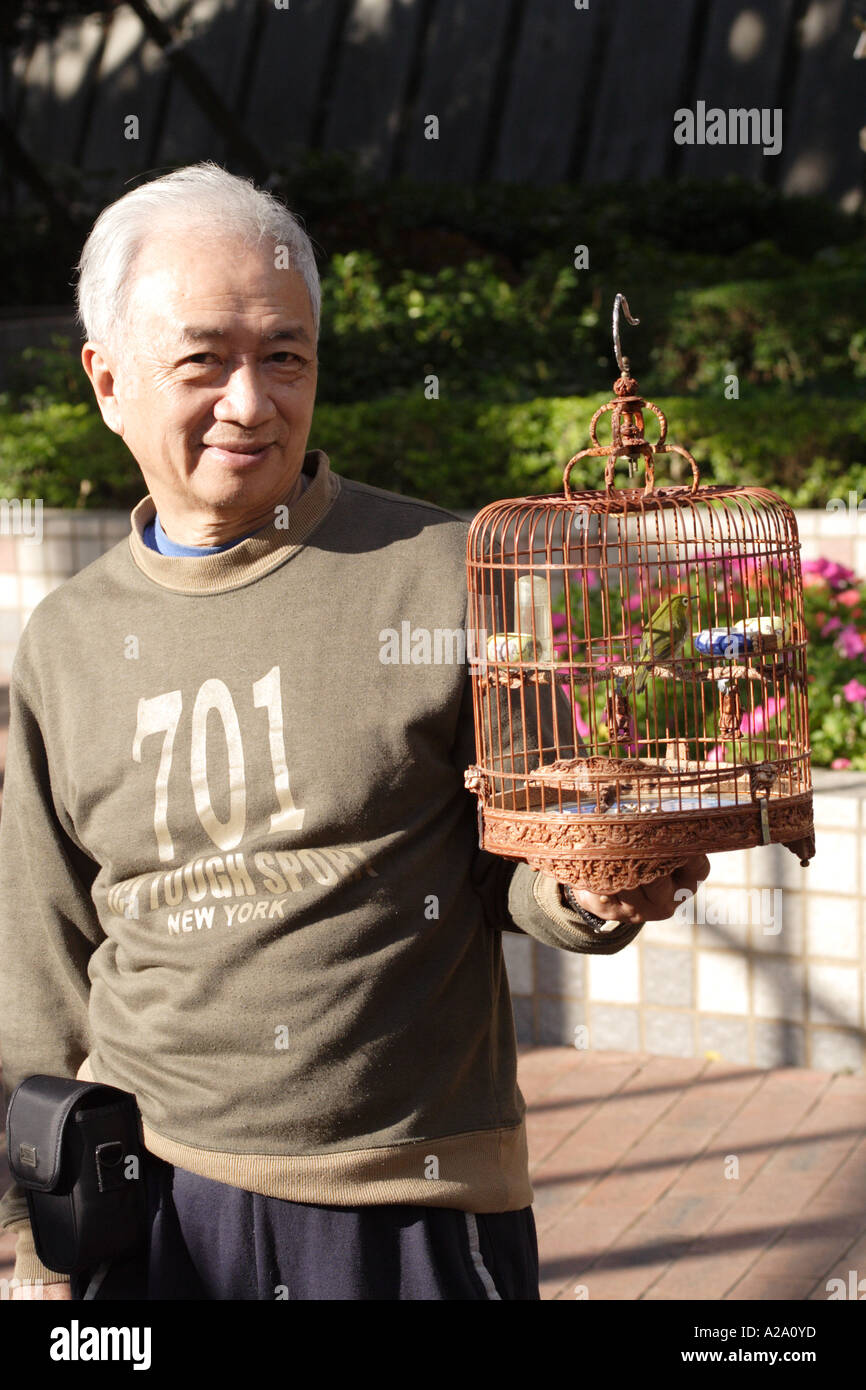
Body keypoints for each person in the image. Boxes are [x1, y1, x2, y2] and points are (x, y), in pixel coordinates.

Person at [0, 163, 710, 1301]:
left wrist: (593, 885)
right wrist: (34, 1232)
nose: (251, 400)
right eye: (203, 360)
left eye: (284, 356)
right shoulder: (68, 642)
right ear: (107, 378)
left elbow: (522, 875)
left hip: (408, 1203)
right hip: (147, 1203)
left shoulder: (448, 574)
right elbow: (39, 953)